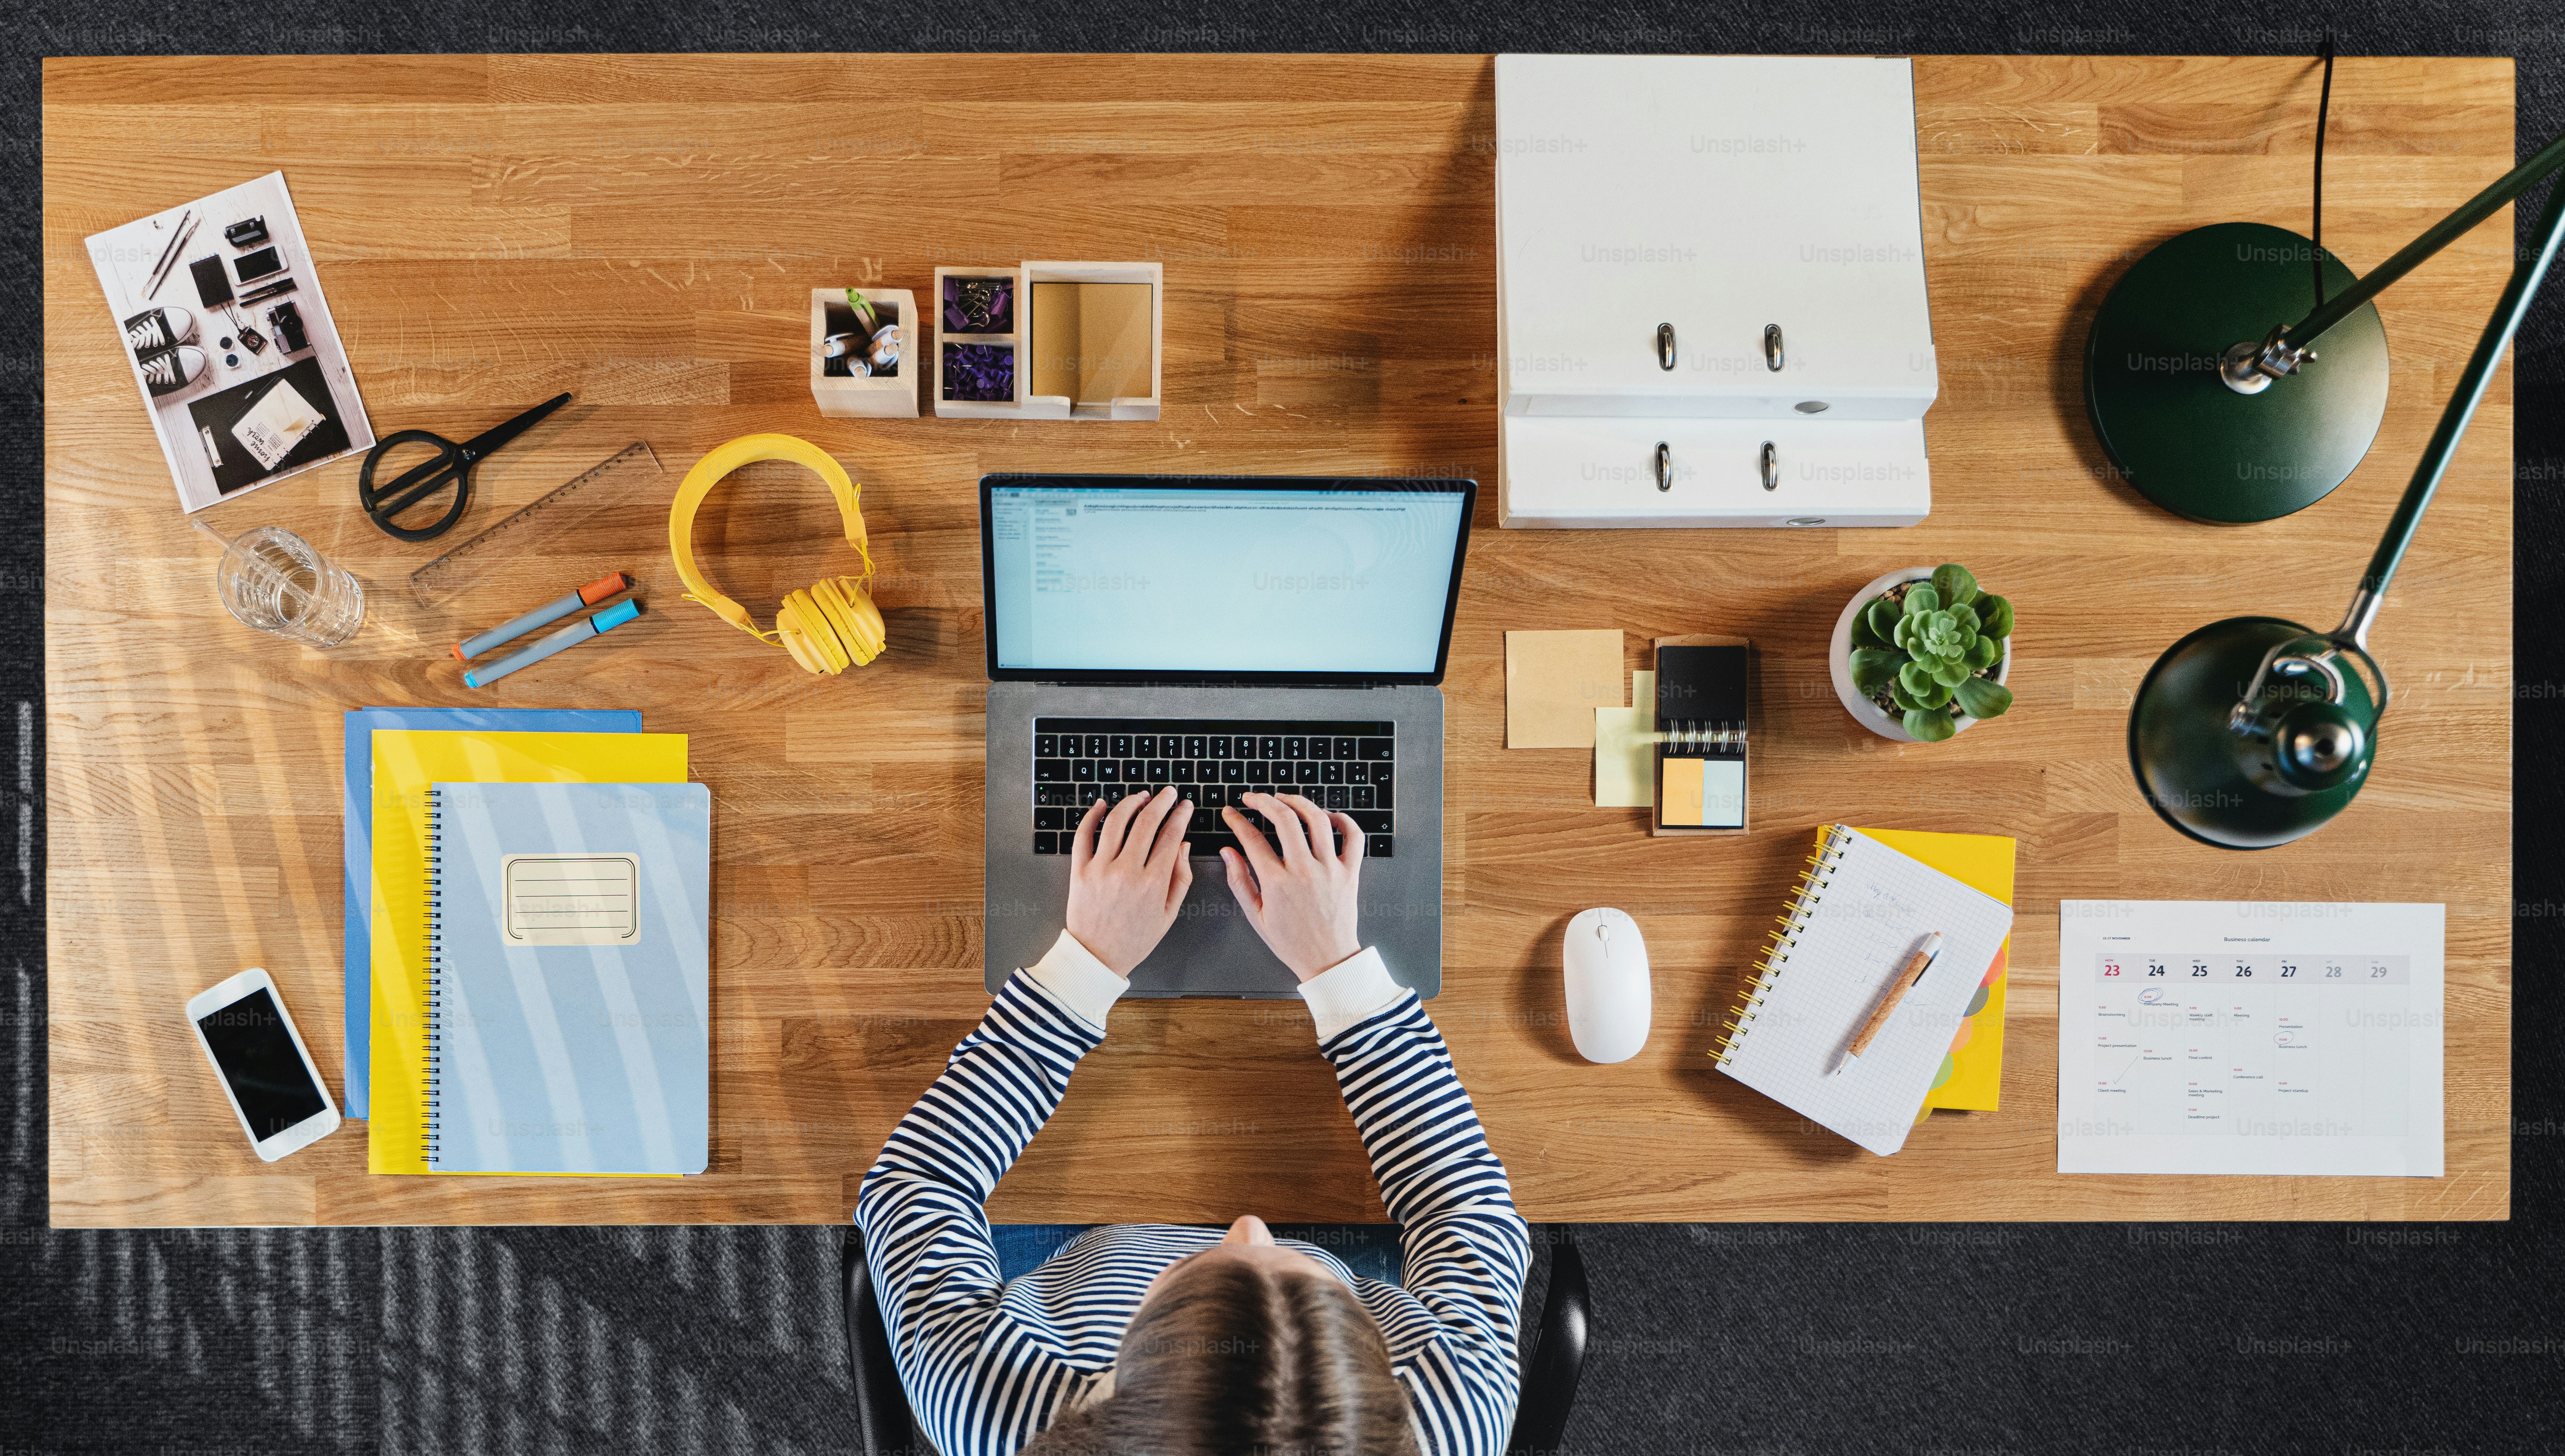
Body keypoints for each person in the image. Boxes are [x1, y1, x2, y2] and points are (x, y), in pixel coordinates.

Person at [857, 787, 1531, 1456]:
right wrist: (1339, 971)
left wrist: (1082, 967)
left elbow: (916, 1184)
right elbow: (1465, 1211)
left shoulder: (991, 1404)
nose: (1251, 1225)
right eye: (1283, 1264)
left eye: (1208, 1270)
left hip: (1072, 1252)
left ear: (1117, 1388)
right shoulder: (1453, 1413)